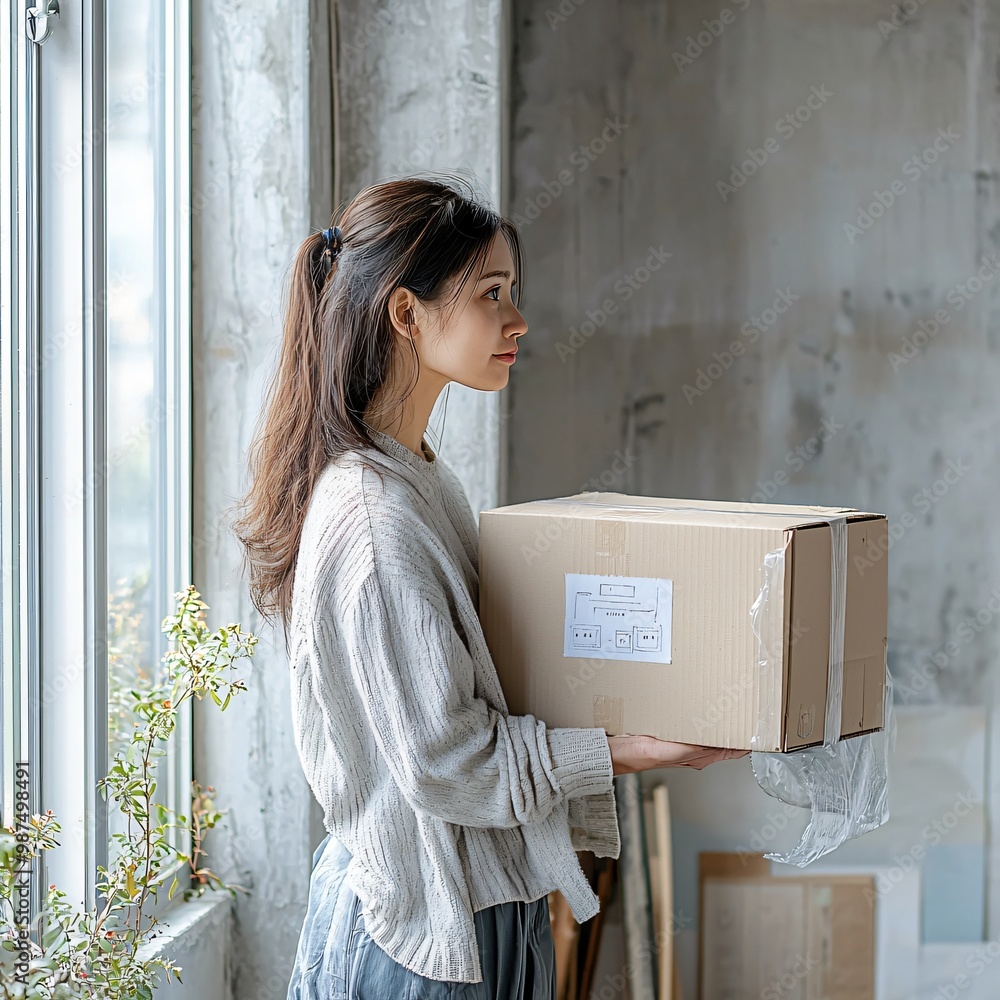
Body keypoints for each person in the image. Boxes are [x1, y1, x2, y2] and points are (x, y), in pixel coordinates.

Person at [232, 173, 747, 1000]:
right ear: (407, 315)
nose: (519, 319)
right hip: (420, 937)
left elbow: (482, 691)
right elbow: (449, 764)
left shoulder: (418, 476)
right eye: (493, 293)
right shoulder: (374, 522)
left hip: (466, 915)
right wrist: (628, 751)